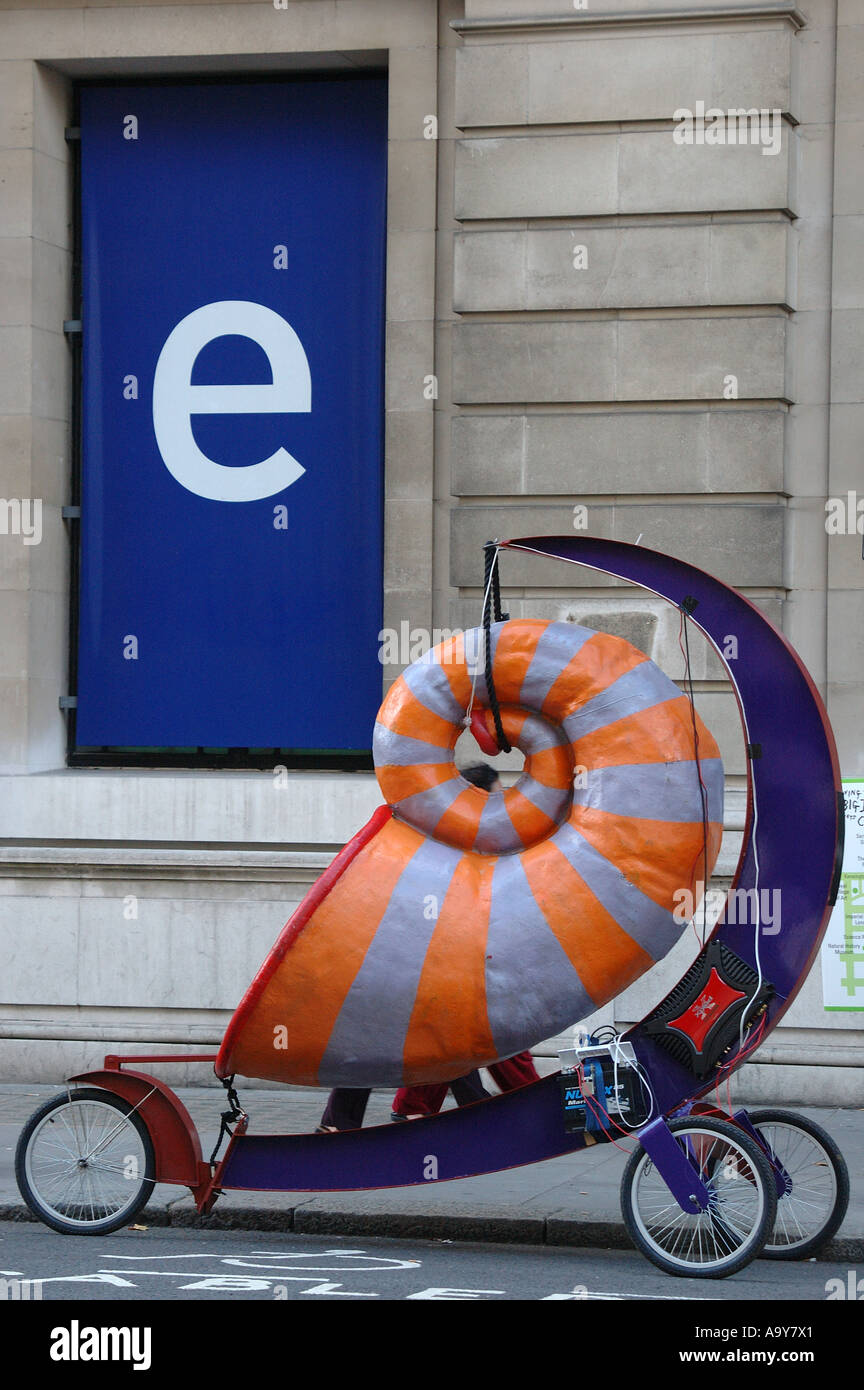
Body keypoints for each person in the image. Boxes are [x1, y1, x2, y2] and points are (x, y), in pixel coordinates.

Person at [317, 762, 538, 1131]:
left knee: (409, 1039)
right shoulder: (441, 835)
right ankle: (474, 1113)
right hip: (410, 955)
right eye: (494, 796)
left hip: (410, 955)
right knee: (437, 1038)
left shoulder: (443, 832)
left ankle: (343, 1121)